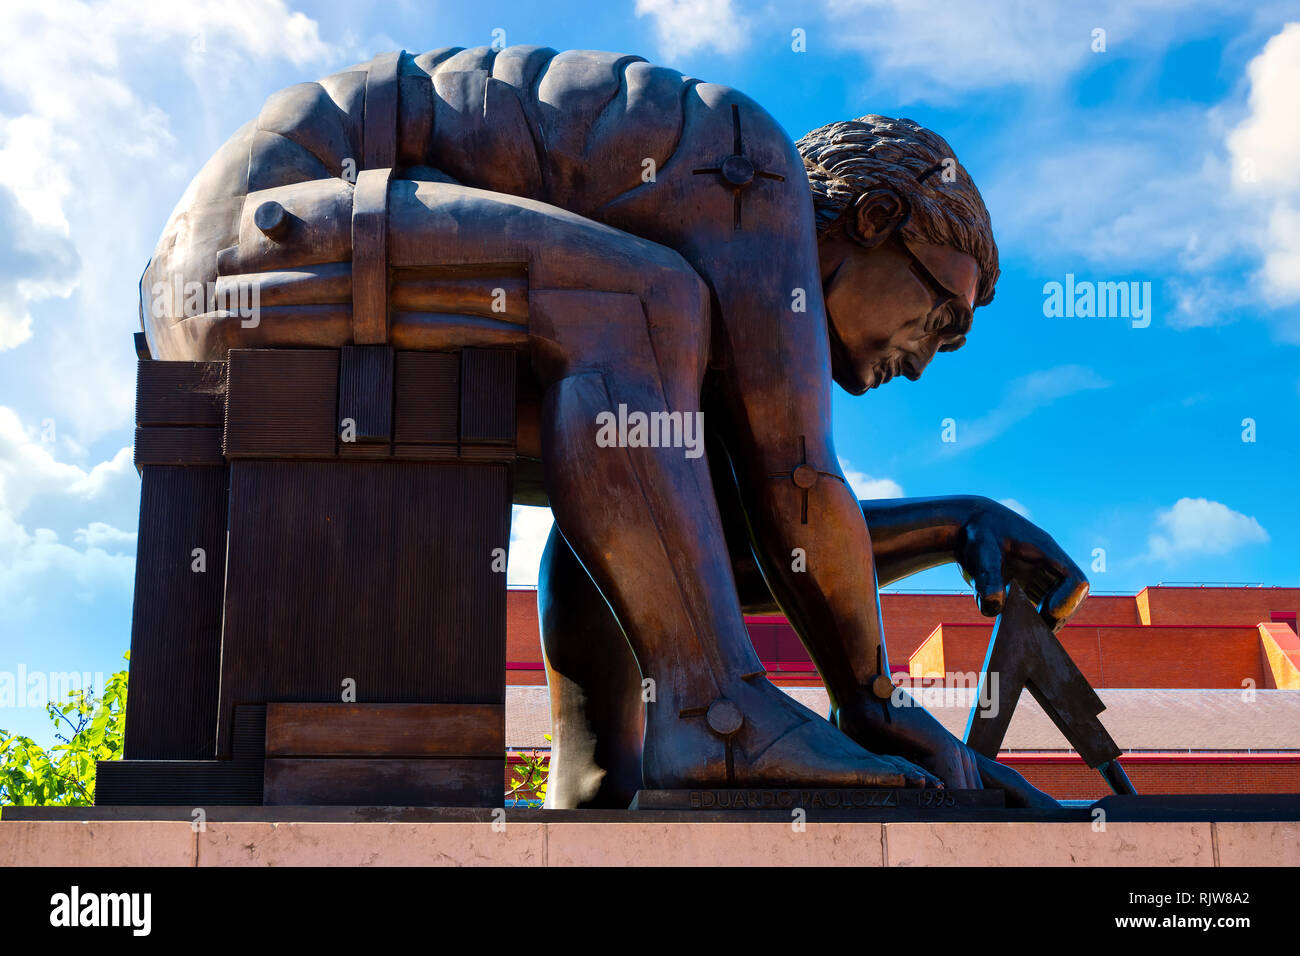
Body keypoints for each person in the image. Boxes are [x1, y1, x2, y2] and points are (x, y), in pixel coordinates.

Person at [141, 45, 1087, 804]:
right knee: (642, 305)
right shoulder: (754, 179)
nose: (921, 359)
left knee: (633, 450)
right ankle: (719, 722)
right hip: (260, 236)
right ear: (874, 216)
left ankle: (599, 774)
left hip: (291, 267)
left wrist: (952, 525)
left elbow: (712, 552)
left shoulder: (695, 346)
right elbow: (795, 483)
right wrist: (874, 703)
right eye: (939, 318)